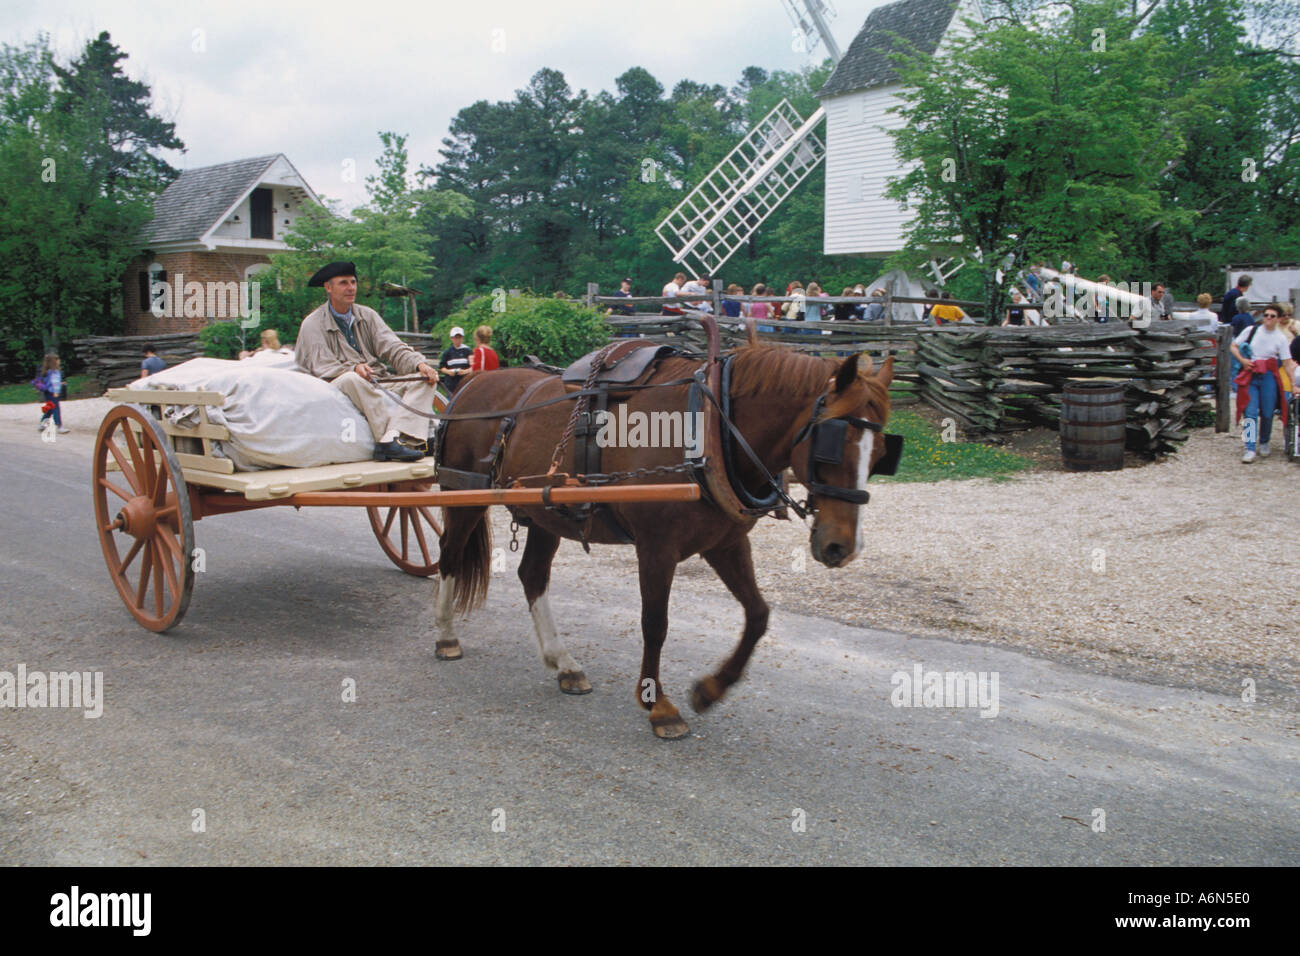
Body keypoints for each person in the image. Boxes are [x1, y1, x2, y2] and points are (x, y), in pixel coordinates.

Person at [294, 260, 439, 462]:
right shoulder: (312, 323)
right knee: (351, 379)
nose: (351, 288)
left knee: (424, 380)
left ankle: (391, 438)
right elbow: (321, 366)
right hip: (333, 384)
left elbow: (392, 346)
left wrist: (419, 364)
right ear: (328, 287)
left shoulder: (367, 315)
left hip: (376, 381)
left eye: (353, 282)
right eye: (343, 283)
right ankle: (397, 439)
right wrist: (353, 367)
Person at [1231, 305, 1297, 462]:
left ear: (1279, 319)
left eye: (1272, 316)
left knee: (1268, 412)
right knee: (1250, 412)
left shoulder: (1280, 338)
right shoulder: (1252, 330)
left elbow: (1287, 363)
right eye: (1266, 315)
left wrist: (1293, 384)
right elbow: (1233, 346)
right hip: (1251, 373)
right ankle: (1249, 447)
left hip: (1268, 375)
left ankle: (1265, 441)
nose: (1268, 318)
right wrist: (1243, 360)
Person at [36, 353, 70, 434]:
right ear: (54, 362)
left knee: (50, 408)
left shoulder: (47, 372)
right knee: (56, 409)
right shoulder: (55, 372)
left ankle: (42, 424)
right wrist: (56, 392)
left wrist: (60, 384)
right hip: (53, 393)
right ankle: (59, 426)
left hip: (47, 392)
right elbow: (54, 383)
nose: (59, 361)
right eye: (58, 360)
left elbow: (49, 382)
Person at [439, 326, 474, 394]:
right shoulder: (447, 352)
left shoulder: (468, 351)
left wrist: (465, 371)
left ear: (462, 338)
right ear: (451, 338)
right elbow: (442, 367)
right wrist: (449, 372)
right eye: (455, 337)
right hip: (451, 384)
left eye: (459, 337)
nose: (457, 340)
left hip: (465, 383)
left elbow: (473, 366)